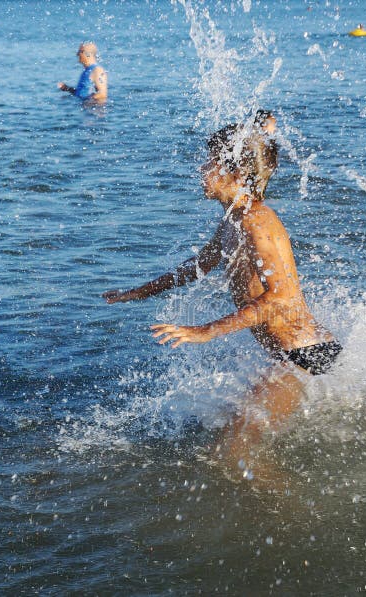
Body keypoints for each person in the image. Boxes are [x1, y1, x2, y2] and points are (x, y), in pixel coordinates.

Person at [103, 121, 341, 469]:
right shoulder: (234, 219)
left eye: (211, 162)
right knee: (228, 446)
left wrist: (204, 331)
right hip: (289, 356)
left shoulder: (257, 222)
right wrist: (137, 293)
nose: (202, 169)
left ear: (238, 173)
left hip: (305, 356)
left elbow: (281, 298)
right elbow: (199, 264)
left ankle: (291, 519)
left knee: (232, 453)